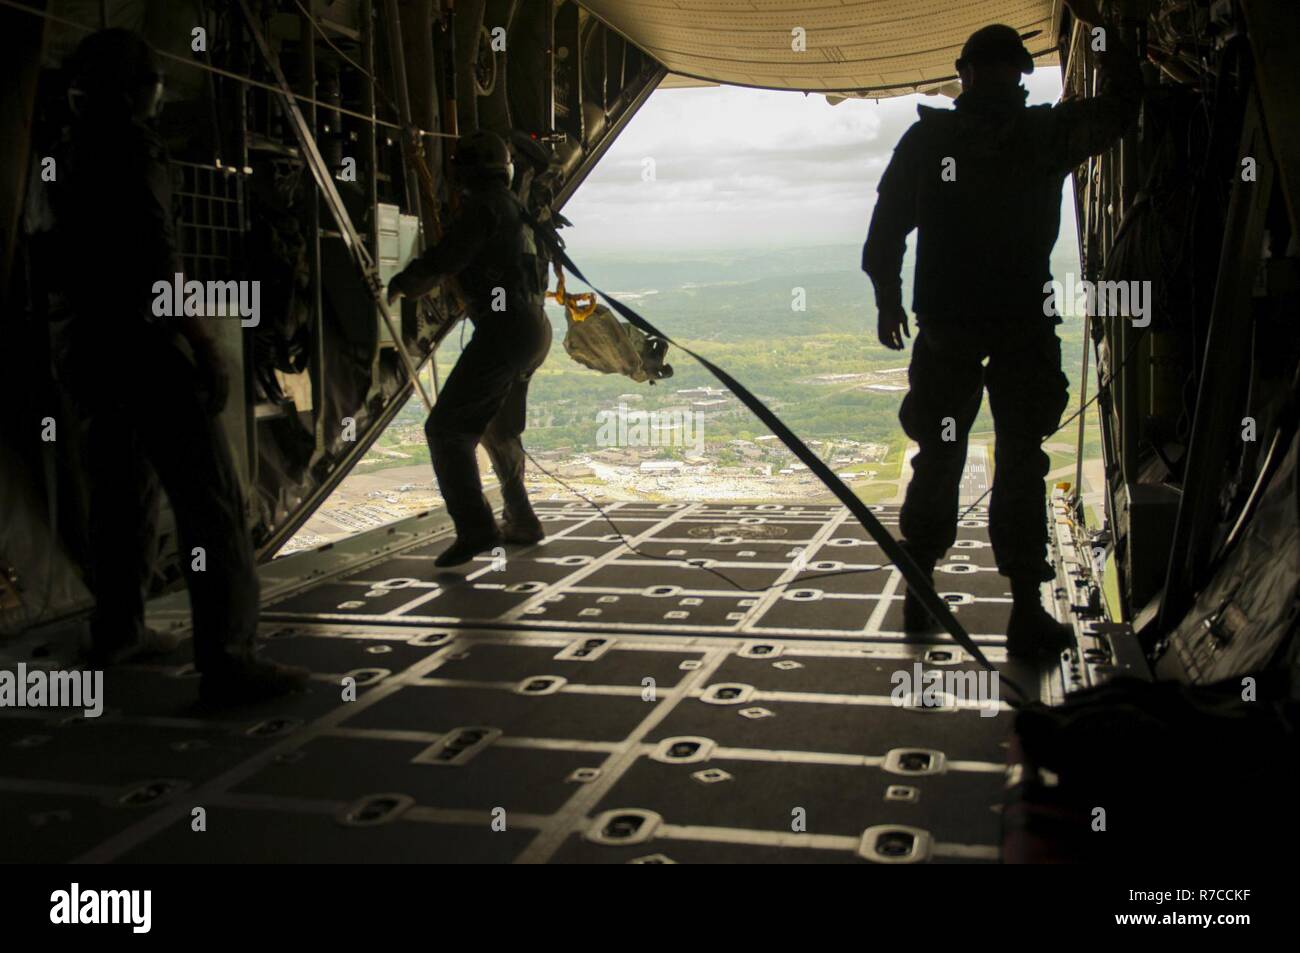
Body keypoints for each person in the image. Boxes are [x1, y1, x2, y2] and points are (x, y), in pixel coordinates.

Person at [861, 1, 1142, 658]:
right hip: (1016, 326)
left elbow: (885, 232)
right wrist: (1097, 27)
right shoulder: (1045, 135)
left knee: (942, 456)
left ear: (964, 75)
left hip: (954, 327)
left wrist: (887, 300)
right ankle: (1022, 609)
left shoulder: (931, 141)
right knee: (1020, 460)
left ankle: (923, 591)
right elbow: (1126, 106)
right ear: (1020, 76)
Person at [51, 29, 306, 703]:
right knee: (212, 502)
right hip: (143, 351)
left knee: (118, 494)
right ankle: (228, 657)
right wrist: (202, 341)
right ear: (141, 92)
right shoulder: (133, 151)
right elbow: (153, 262)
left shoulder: (73, 155)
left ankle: (118, 628)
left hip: (90, 351)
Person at [387, 129, 552, 567]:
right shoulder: (514, 205)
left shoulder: (483, 207)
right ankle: (521, 518)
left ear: (464, 170)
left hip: (505, 332)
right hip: (533, 329)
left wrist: (401, 284)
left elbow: (447, 258)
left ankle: (477, 529)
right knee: (499, 429)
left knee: (446, 432)